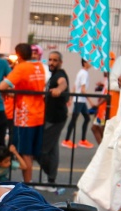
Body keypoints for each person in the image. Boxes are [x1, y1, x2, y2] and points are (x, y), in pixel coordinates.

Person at [0, 43, 45, 183]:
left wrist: (10, 94)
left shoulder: (21, 68)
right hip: (39, 113)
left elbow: (2, 86)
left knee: (25, 152)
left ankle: (27, 187)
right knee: (30, 154)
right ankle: (29, 184)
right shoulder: (39, 66)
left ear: (18, 54)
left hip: (25, 115)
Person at [39, 51, 69, 187]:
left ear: (60, 62)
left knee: (41, 149)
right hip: (51, 117)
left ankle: (50, 177)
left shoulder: (60, 75)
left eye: (55, 60)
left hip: (56, 119)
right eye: (50, 60)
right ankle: (51, 180)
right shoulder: (52, 76)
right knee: (52, 149)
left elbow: (63, 83)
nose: (51, 62)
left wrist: (59, 89)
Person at [63, 59, 92, 148]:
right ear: (85, 63)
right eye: (89, 61)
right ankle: (66, 140)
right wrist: (91, 102)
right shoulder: (84, 73)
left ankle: (83, 140)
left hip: (81, 100)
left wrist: (70, 99)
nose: (91, 63)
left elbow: (75, 86)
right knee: (74, 120)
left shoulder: (81, 72)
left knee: (87, 118)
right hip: (79, 100)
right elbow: (82, 90)